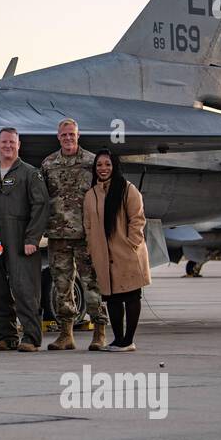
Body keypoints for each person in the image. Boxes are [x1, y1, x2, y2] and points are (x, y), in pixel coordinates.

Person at [0, 127, 50, 352]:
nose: (8, 146)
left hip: (21, 237)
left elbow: (41, 206)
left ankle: (31, 337)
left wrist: (32, 238)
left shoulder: (30, 173)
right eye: (4, 142)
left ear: (19, 145)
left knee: (25, 289)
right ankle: (6, 336)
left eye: (12, 142)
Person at [40, 118, 108, 351]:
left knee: (92, 283)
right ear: (58, 137)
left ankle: (99, 331)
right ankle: (65, 334)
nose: (68, 138)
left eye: (72, 134)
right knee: (61, 286)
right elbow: (42, 198)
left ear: (78, 136)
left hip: (85, 235)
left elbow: (103, 195)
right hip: (58, 235)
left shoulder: (91, 162)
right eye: (64, 135)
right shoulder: (49, 163)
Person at [84, 150, 151, 351]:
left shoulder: (128, 190)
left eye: (108, 164)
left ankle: (128, 340)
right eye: (99, 165)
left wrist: (131, 243)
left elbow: (137, 220)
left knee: (131, 296)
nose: (103, 169)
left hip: (127, 253)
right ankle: (118, 339)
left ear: (114, 166)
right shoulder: (91, 194)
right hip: (103, 255)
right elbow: (88, 225)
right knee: (111, 298)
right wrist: (91, 247)